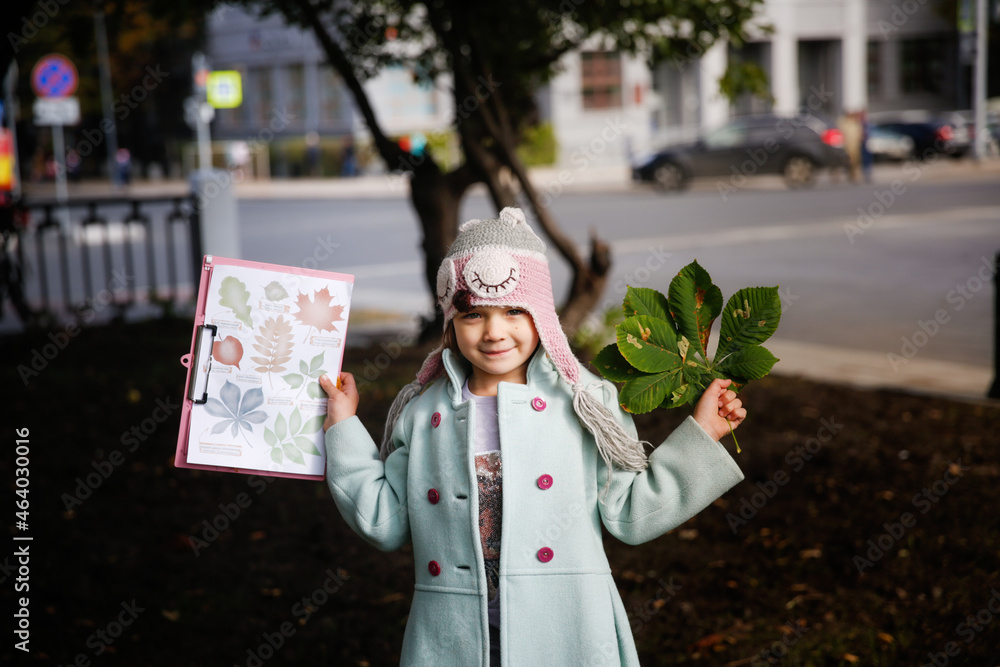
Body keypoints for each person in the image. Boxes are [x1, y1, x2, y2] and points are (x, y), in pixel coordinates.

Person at [319, 207, 747, 666]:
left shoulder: (586, 403)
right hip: (454, 641)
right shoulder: (423, 414)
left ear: (542, 314)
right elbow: (385, 522)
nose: (494, 331)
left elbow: (634, 513)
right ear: (449, 324)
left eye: (513, 310)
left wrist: (703, 433)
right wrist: (343, 428)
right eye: (473, 316)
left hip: (568, 632)